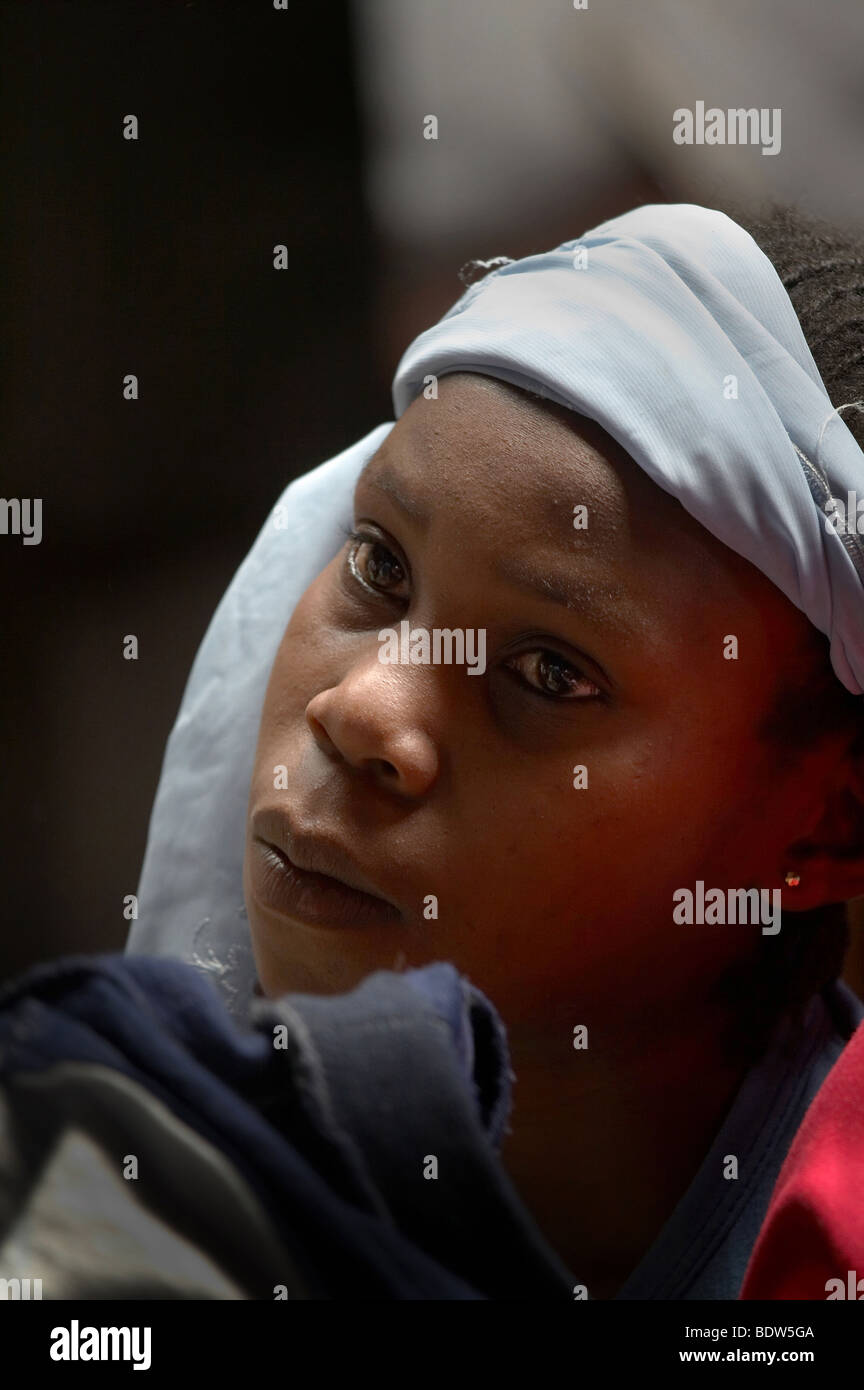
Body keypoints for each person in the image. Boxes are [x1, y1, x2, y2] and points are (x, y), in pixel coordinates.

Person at [2, 201, 863, 1301]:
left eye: (551, 672)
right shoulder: (98, 1218)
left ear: (831, 818)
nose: (361, 712)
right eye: (379, 564)